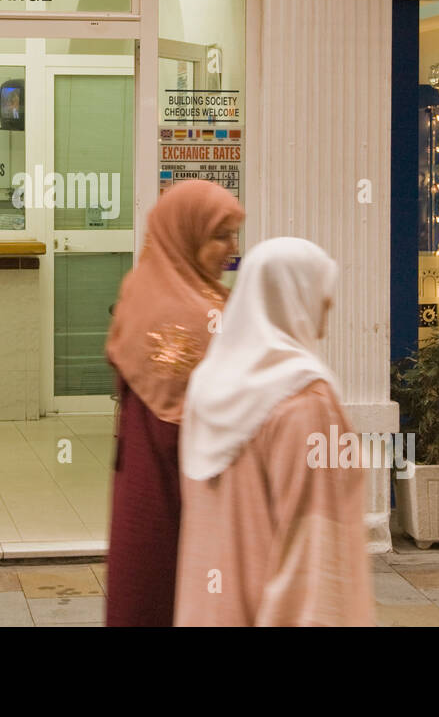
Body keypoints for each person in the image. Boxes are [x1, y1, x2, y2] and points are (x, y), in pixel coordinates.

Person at [174, 237, 375, 627]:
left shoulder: (208, 388)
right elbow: (314, 556)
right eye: (320, 291)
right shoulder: (305, 403)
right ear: (292, 296)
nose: (329, 303)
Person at [104, 179, 244, 627]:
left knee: (142, 588)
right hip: (179, 484)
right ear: (183, 235)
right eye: (219, 235)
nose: (231, 248)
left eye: (234, 233)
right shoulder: (199, 314)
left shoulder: (143, 287)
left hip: (141, 479)